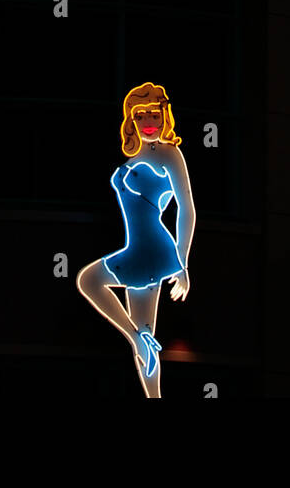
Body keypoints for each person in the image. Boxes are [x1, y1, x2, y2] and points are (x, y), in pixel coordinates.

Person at [77, 82, 195, 397]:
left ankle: (141, 351)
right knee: (91, 284)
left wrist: (182, 262)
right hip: (137, 249)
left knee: (91, 281)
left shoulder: (171, 154)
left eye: (154, 114)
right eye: (140, 115)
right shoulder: (135, 153)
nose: (148, 122)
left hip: (154, 249)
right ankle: (137, 340)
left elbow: (187, 209)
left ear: (164, 114)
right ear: (131, 119)